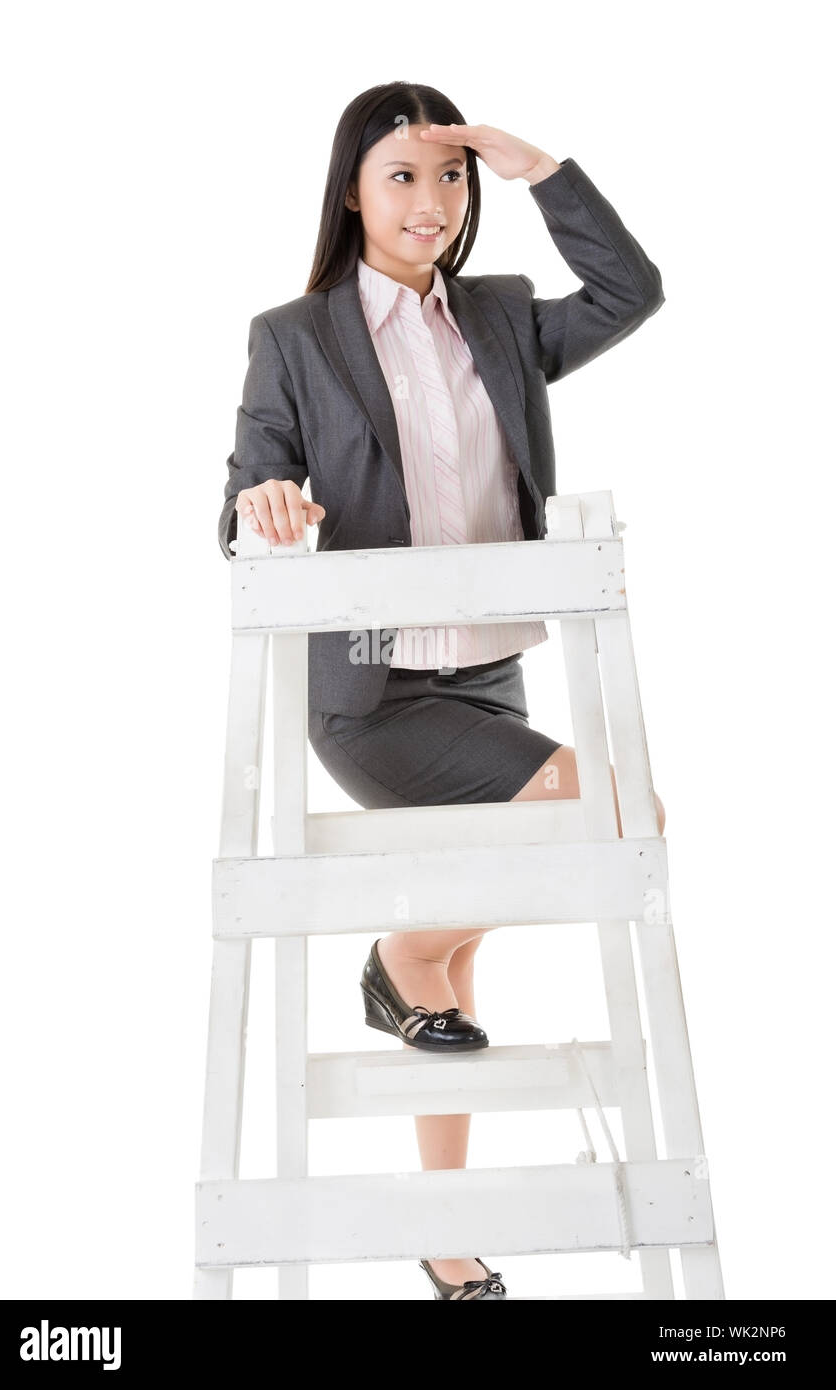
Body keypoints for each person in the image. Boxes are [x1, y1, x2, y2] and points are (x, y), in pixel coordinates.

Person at [219, 82, 667, 1300]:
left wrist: (541, 171)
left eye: (448, 177)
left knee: (462, 976)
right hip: (370, 694)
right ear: (352, 191)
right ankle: (396, 959)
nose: (430, 202)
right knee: (606, 811)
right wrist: (263, 503)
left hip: (490, 672)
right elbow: (247, 484)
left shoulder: (504, 318)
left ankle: (446, 1233)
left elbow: (632, 293)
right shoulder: (295, 336)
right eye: (402, 176)